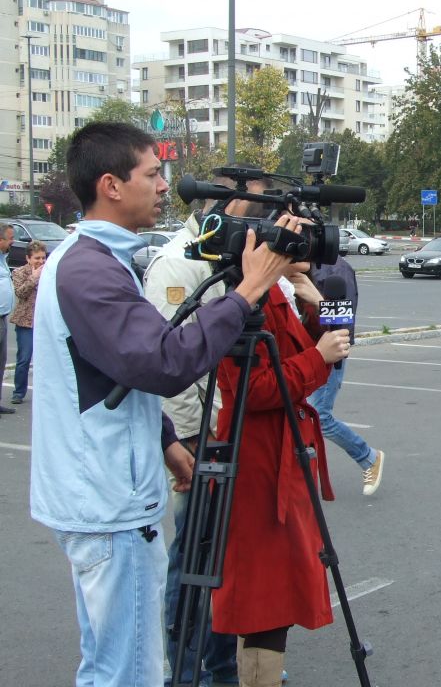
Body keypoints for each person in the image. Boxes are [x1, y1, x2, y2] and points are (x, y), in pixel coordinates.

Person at [28, 121, 297, 687]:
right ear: (112, 185)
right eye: (152, 174)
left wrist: (167, 443)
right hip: (106, 504)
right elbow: (162, 363)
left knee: (117, 661)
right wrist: (248, 290)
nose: (164, 186)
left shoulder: (94, 260)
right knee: (125, 671)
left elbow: (110, 373)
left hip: (109, 493)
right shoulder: (88, 268)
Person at [143, 171, 275, 686]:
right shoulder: (176, 260)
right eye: (258, 206)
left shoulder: (248, 254)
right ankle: (185, 668)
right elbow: (168, 358)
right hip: (201, 433)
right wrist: (189, 439)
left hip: (236, 424)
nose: (264, 217)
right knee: (193, 555)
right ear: (226, 202)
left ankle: (222, 665)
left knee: (230, 553)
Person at [212, 258, 350, 687]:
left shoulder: (290, 288)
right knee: (262, 595)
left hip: (287, 454)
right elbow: (253, 390)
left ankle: (256, 674)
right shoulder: (251, 295)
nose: (310, 238)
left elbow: (343, 343)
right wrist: (315, 357)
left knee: (277, 592)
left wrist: (322, 302)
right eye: (297, 228)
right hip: (260, 461)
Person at [309, 255, 385, 495]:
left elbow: (341, 322)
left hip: (326, 356)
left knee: (320, 418)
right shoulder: (296, 265)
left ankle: (368, 457)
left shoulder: (336, 270)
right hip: (302, 354)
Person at [10, 240, 46, 404]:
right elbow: (21, 293)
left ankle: (44, 392)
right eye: (37, 258)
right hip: (25, 322)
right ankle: (18, 392)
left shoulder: (49, 272)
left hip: (43, 322)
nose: (40, 262)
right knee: (24, 358)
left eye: (43, 258)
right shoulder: (19, 272)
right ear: (28, 258)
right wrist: (34, 277)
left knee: (45, 359)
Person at [0, 222, 15, 414]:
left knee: (1, 362)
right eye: (10, 238)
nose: (13, 242)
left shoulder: (3, 258)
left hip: (3, 317)